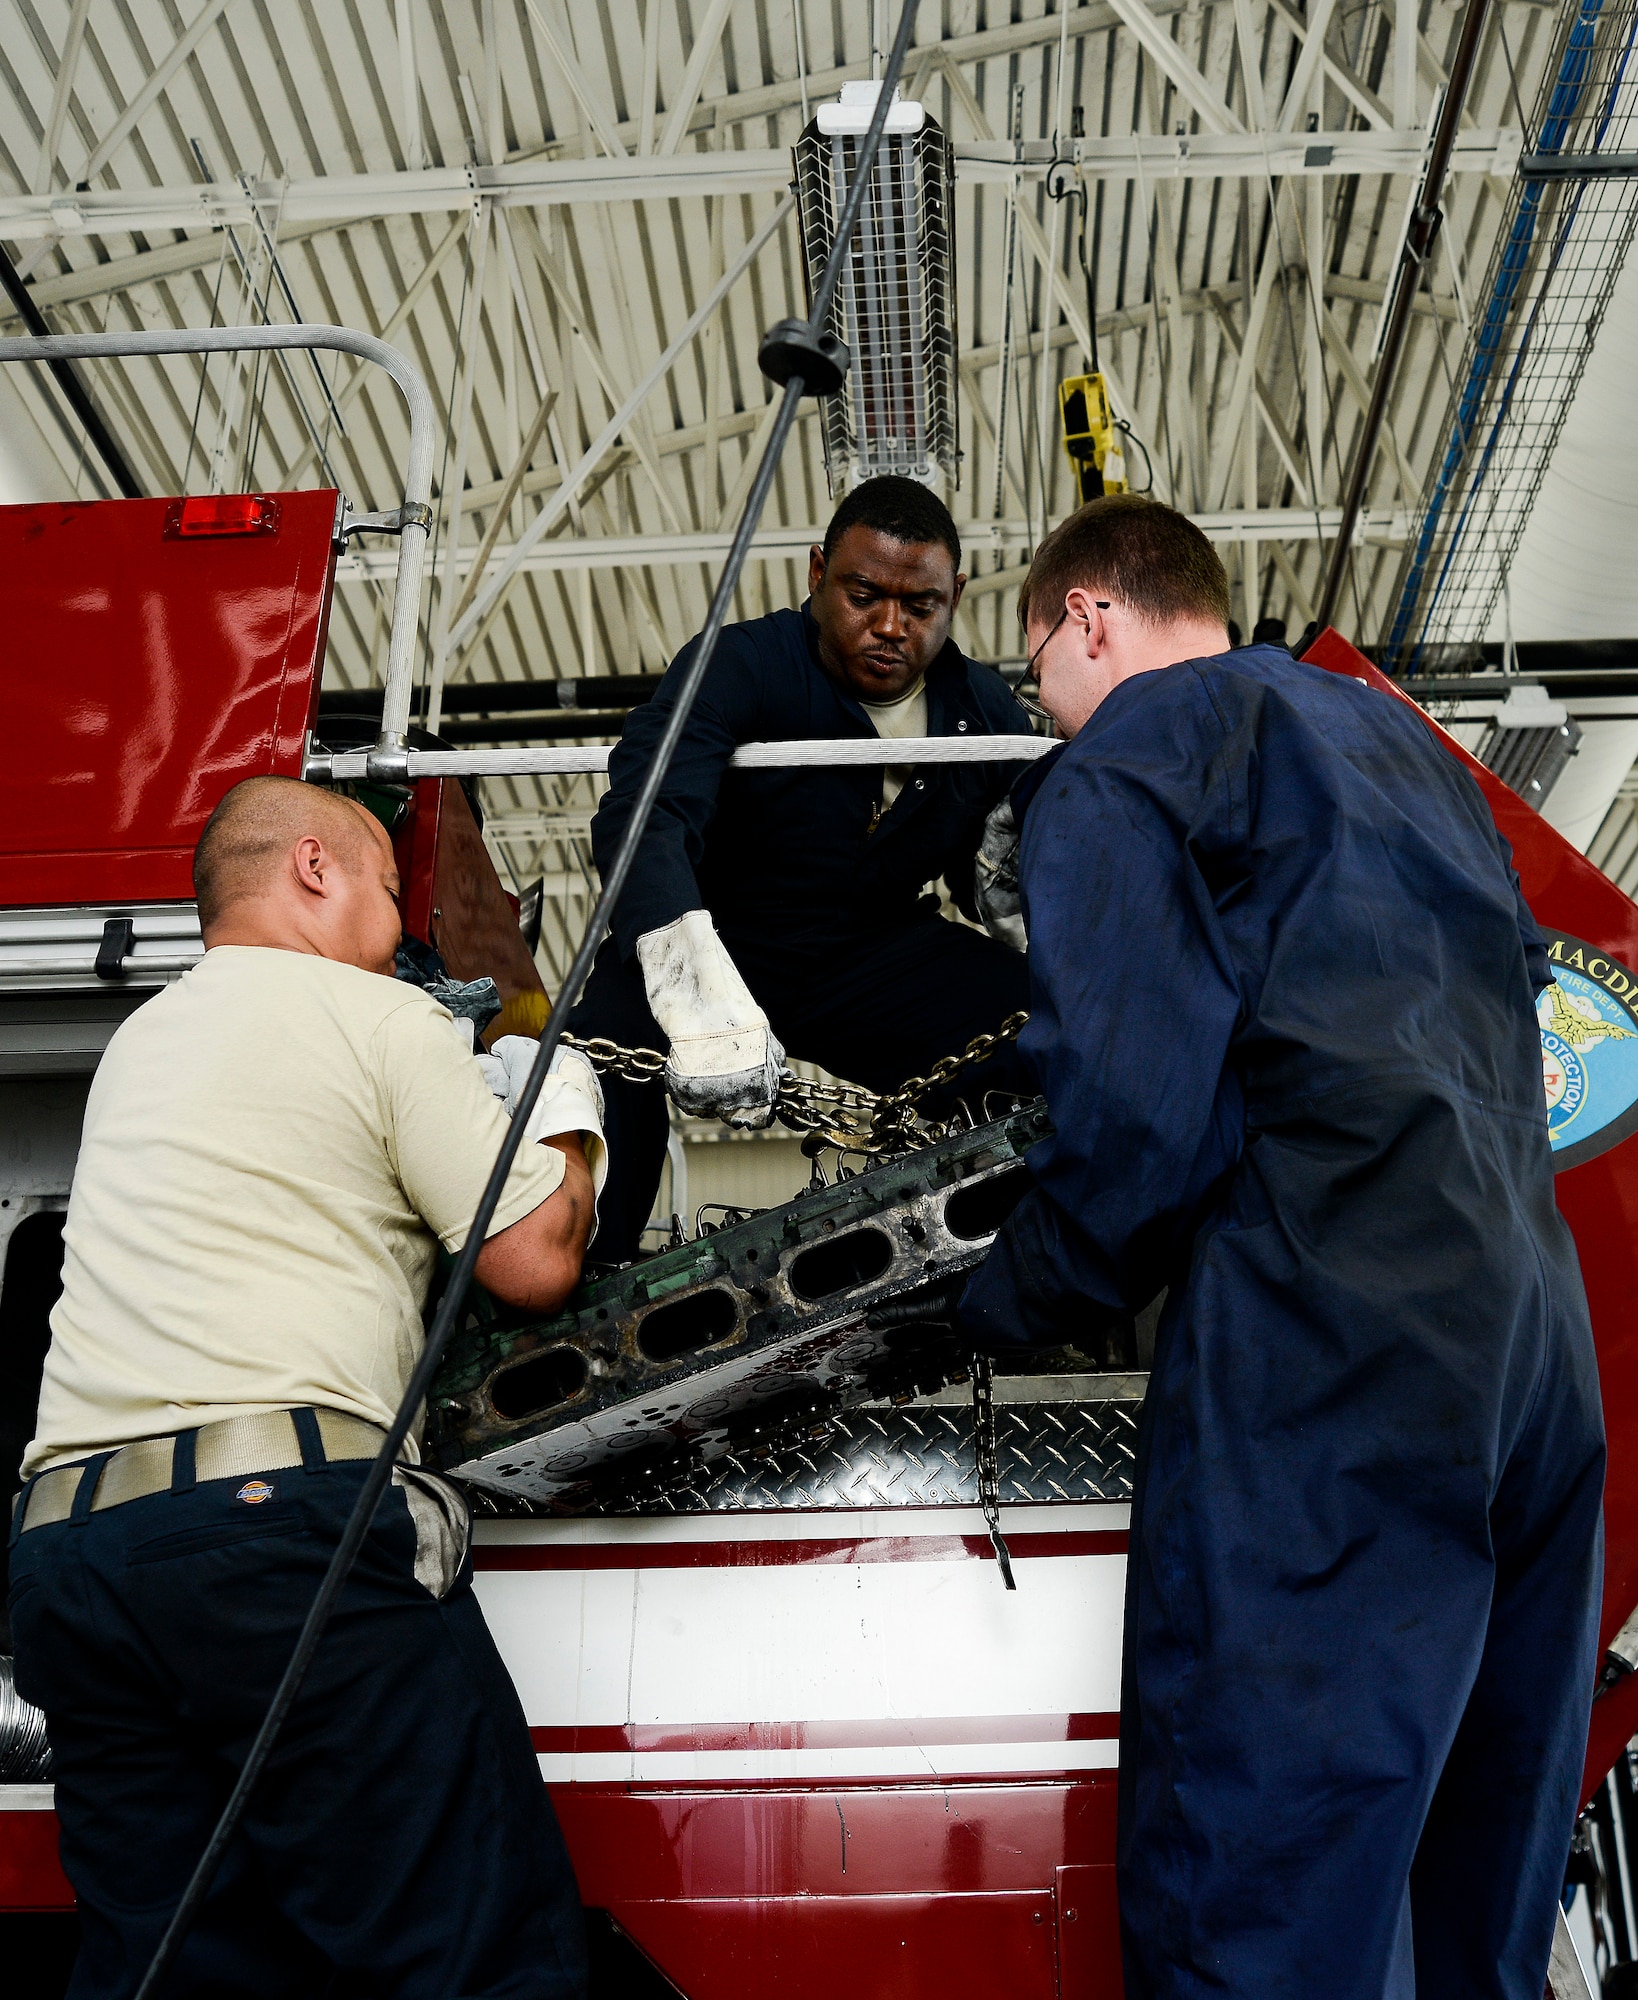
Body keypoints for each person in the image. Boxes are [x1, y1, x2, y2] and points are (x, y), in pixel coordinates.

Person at [958, 496, 1604, 1999]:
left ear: (1087, 620)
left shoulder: (1128, 755)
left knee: (1264, 1887)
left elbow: (1138, 1126)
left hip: (1333, 1324)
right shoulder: (1409, 753)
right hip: (1532, 1331)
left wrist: (1002, 1295)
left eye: (1035, 671)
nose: (1046, 710)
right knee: (1471, 1884)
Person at [8, 776, 606, 1999]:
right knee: (473, 1956)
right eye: (389, 890)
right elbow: (535, 1260)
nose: (399, 933)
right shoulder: (375, 1015)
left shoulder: (141, 1045)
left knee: (177, 1974)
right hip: (271, 1542)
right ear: (316, 869)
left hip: (71, 1565)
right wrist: (566, 1112)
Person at [570, 475, 1037, 1260]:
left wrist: (1019, 888)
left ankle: (1010, 1259)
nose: (890, 626)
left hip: (872, 954)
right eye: (864, 595)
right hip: (724, 938)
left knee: (1051, 1025)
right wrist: (690, 986)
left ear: (955, 596)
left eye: (921, 606)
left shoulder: (984, 714)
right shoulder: (740, 664)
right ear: (818, 572)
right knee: (593, 1057)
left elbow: (1005, 864)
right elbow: (648, 815)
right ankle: (585, 1278)